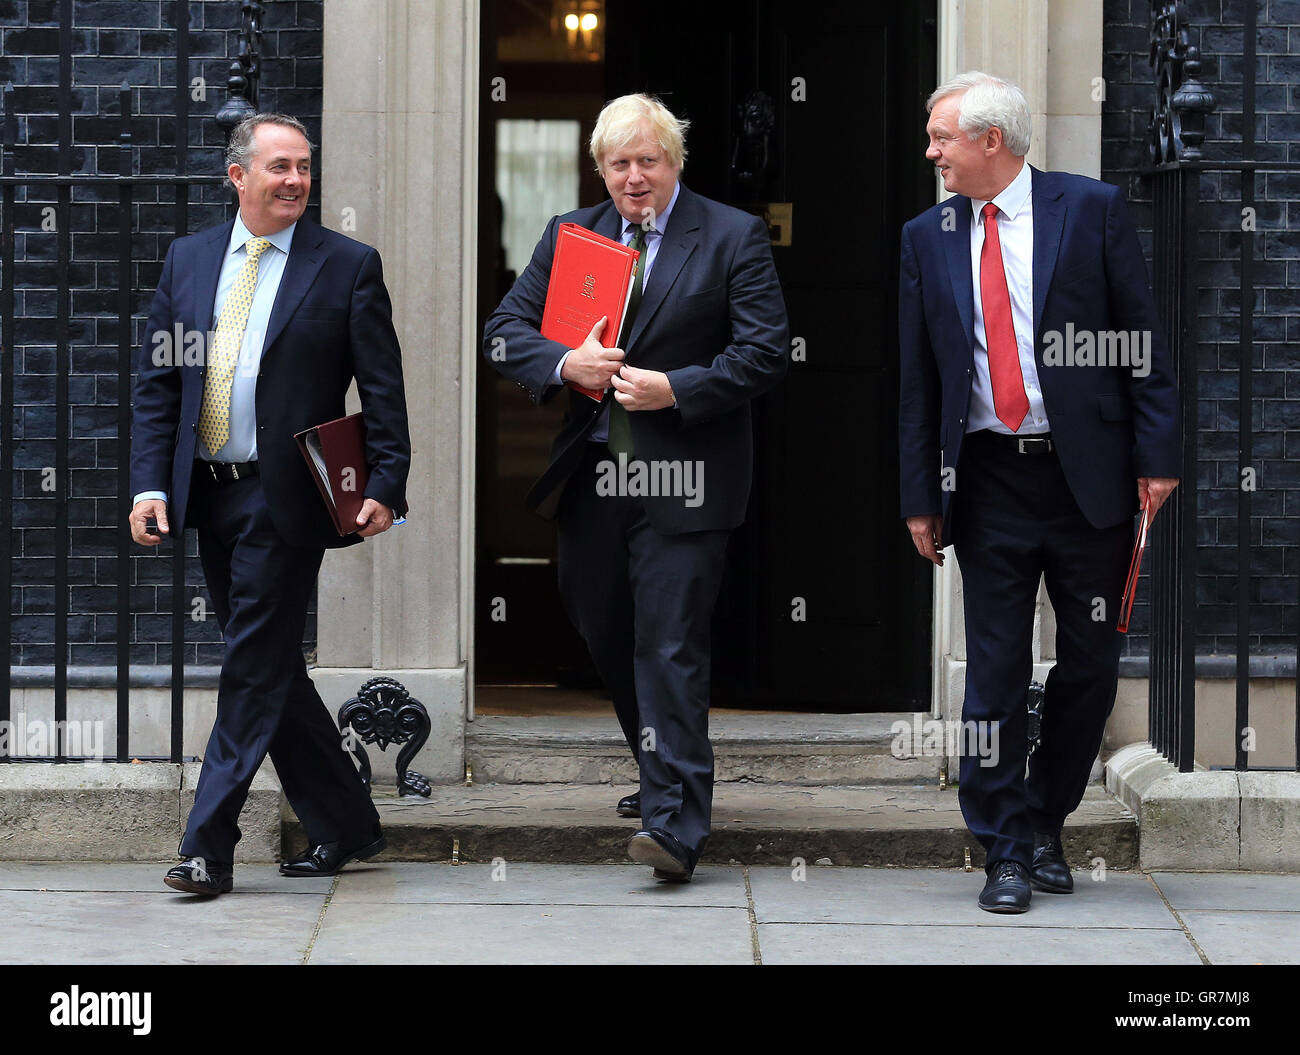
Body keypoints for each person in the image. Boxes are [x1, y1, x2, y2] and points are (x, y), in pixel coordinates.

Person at [483, 94, 788, 881]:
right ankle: (661, 767)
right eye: (618, 163)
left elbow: (764, 353)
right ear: (601, 169)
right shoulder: (572, 235)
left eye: (647, 160)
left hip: (684, 476)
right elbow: (504, 329)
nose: (633, 177)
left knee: (670, 638)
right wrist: (562, 363)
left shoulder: (731, 235)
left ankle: (676, 825)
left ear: (674, 162)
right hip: (594, 474)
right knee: (603, 627)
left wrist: (676, 388)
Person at [897, 73, 1180, 913]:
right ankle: (1003, 848)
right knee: (994, 669)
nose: (931, 152)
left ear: (992, 141)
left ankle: (1045, 819)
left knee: (1090, 666)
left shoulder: (1088, 209)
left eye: (942, 137)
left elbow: (1141, 338)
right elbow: (918, 378)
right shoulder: (926, 234)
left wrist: (1156, 456)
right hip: (987, 481)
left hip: (1087, 476)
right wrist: (922, 493)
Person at [130, 113, 411, 896]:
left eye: (304, 167)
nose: (295, 180)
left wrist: (386, 482)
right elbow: (159, 385)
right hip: (206, 494)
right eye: (280, 167)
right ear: (239, 176)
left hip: (284, 497)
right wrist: (150, 483)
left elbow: (381, 388)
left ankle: (206, 845)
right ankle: (349, 823)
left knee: (250, 665)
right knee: (274, 665)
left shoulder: (346, 265)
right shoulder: (189, 261)